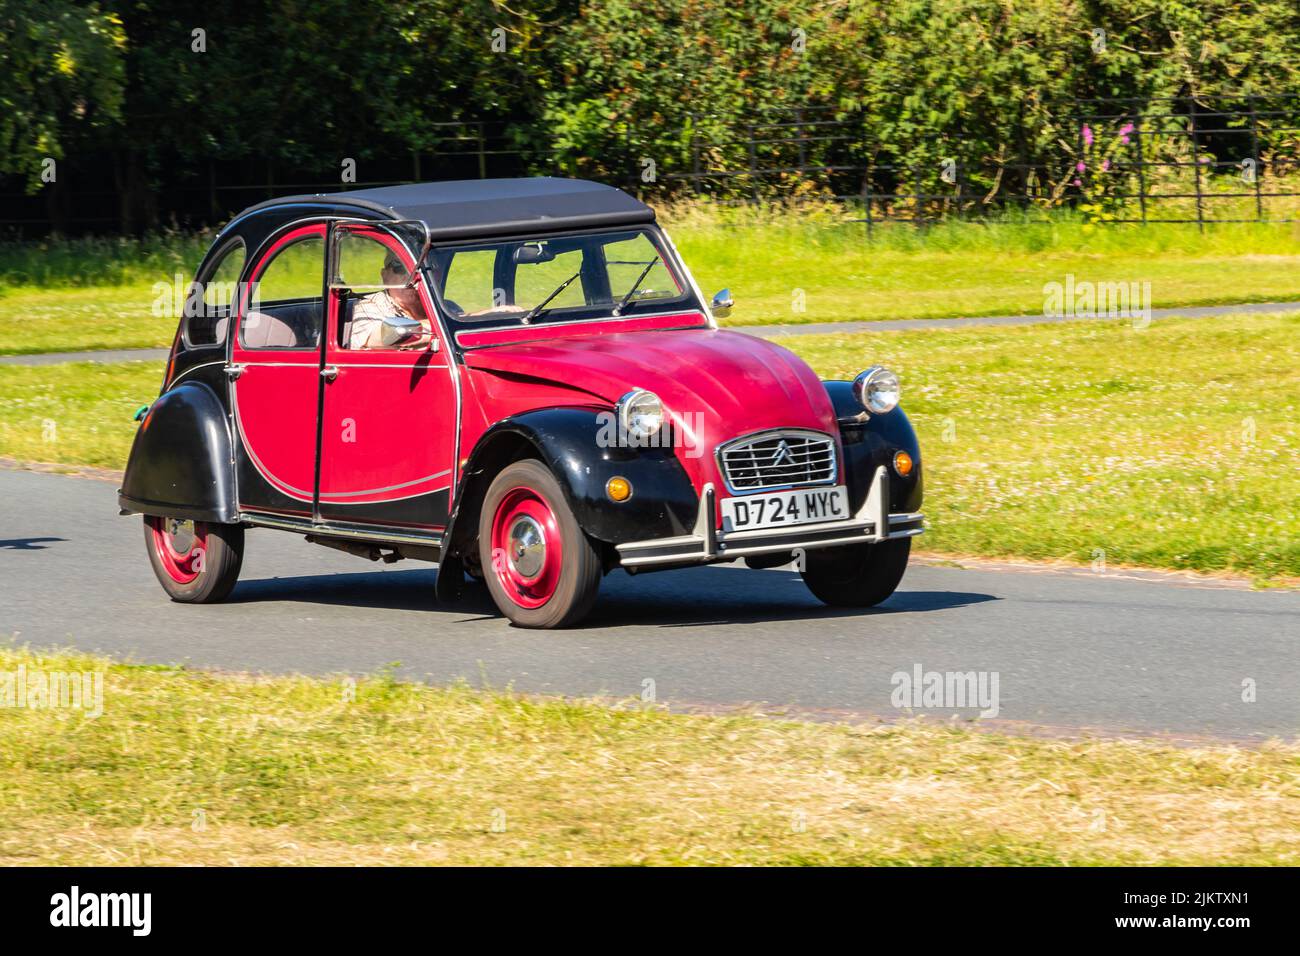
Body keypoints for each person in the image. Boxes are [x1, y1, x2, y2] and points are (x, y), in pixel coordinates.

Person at [348, 254, 431, 350]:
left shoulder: (440, 307)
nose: (411, 276)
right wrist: (441, 327)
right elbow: (383, 338)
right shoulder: (367, 305)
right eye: (400, 268)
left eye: (421, 269)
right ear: (385, 276)